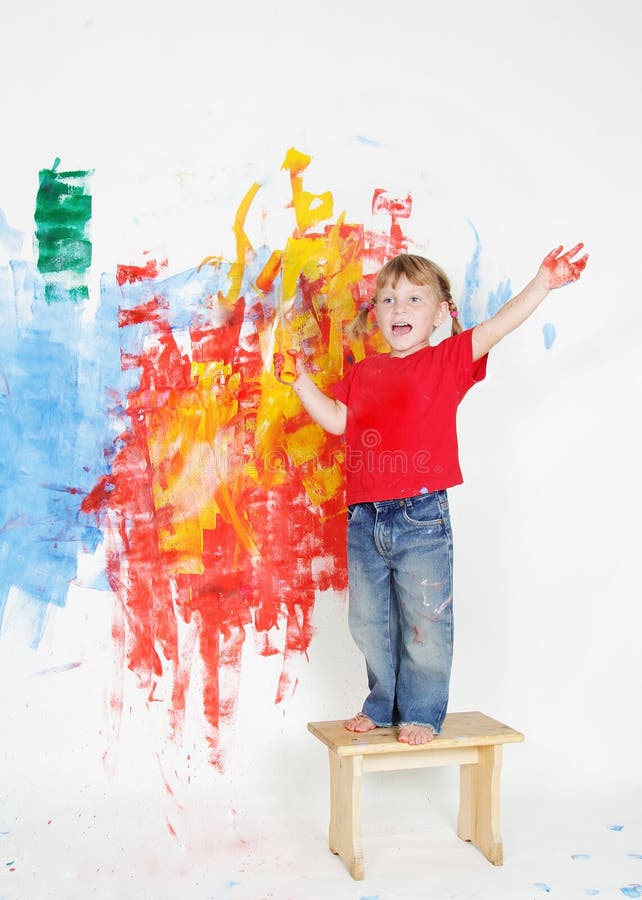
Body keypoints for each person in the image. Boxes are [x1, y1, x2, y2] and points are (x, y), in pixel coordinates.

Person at [274, 243, 588, 746]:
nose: (399, 308)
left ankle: (421, 711)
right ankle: (381, 705)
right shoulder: (364, 372)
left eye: (414, 299)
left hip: (421, 515)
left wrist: (543, 283)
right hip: (364, 517)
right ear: (375, 313)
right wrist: (300, 382)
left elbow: (498, 327)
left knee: (425, 617)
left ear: (441, 313)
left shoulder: (447, 360)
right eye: (388, 300)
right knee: (368, 621)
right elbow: (337, 421)